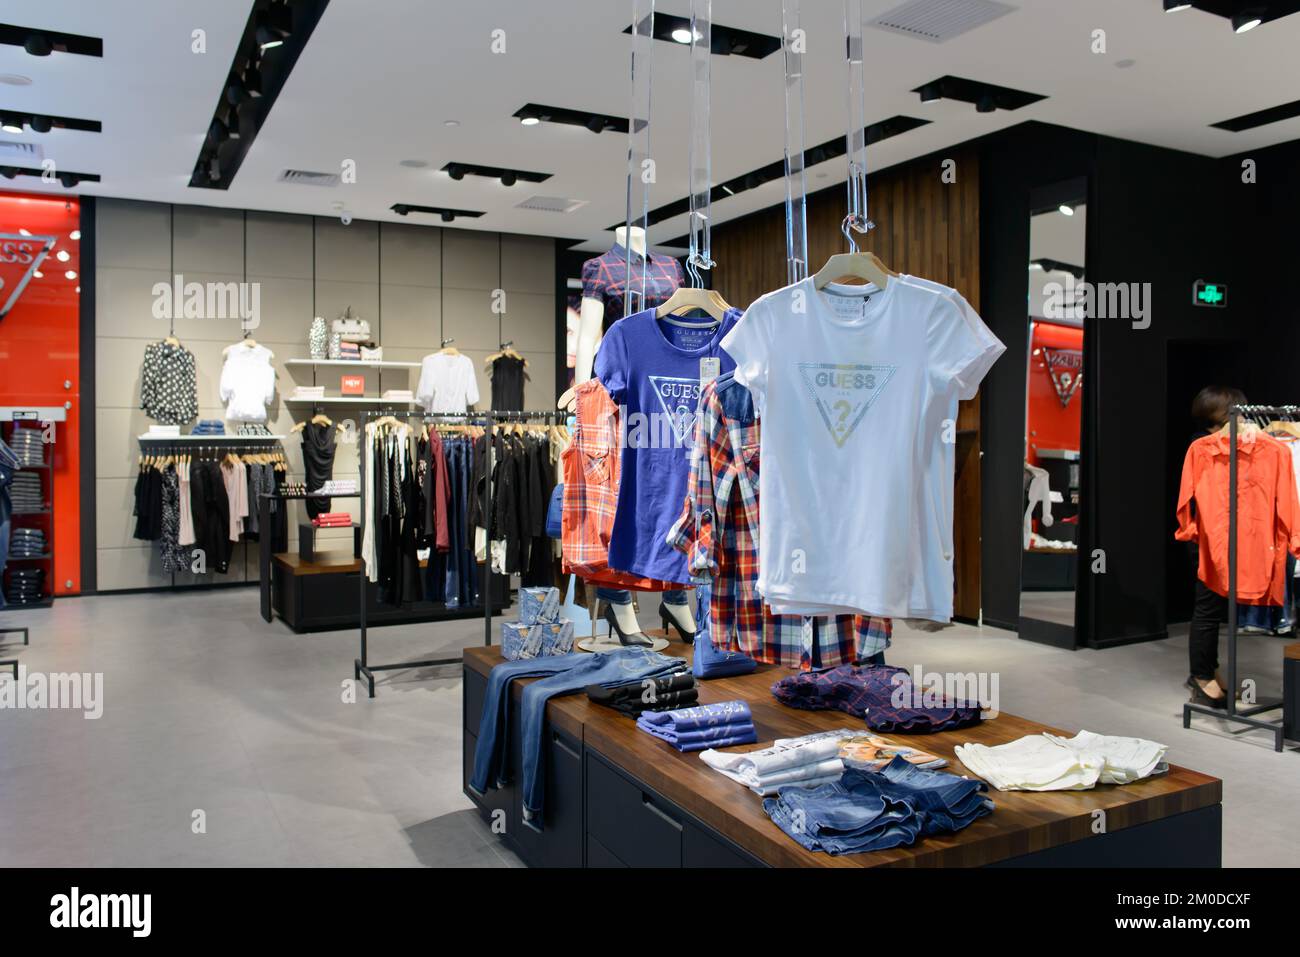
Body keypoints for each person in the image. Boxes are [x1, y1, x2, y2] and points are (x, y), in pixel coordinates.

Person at [1182, 385, 1249, 708]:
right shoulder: (1202, 445)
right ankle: (1200, 675)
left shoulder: (1221, 444)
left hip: (1222, 536)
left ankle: (1210, 668)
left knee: (1216, 608)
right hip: (1206, 538)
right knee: (1208, 608)